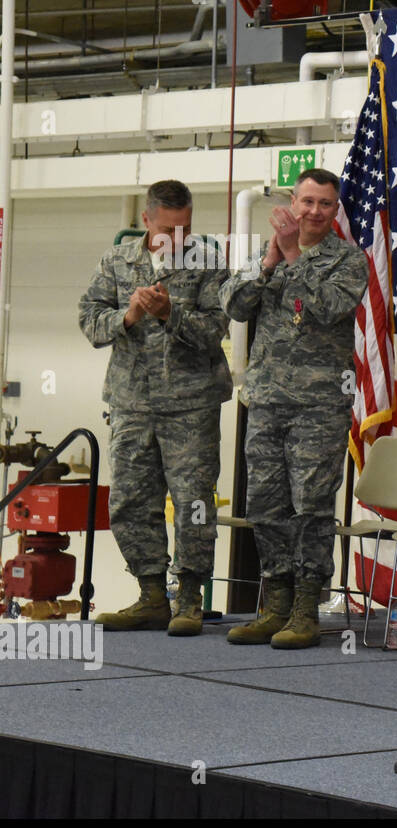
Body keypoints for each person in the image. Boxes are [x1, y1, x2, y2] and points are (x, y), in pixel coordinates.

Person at [219, 168, 368, 649]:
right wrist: (268, 261)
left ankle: (306, 609)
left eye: (325, 204)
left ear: (335, 209)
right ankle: (275, 604)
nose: (315, 212)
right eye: (307, 201)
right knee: (265, 506)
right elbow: (235, 305)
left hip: (318, 405)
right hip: (266, 401)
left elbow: (327, 307)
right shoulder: (266, 251)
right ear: (293, 203)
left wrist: (291, 257)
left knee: (311, 507)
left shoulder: (348, 259)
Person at [79, 179, 231, 636]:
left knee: (193, 504)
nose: (175, 238)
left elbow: (215, 329)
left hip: (190, 406)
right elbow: (89, 318)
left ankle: (188, 598)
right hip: (131, 403)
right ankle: (150, 595)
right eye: (166, 228)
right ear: (146, 221)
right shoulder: (117, 261)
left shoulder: (208, 263)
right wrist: (129, 316)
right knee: (130, 501)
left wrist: (169, 315)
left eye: (184, 228)